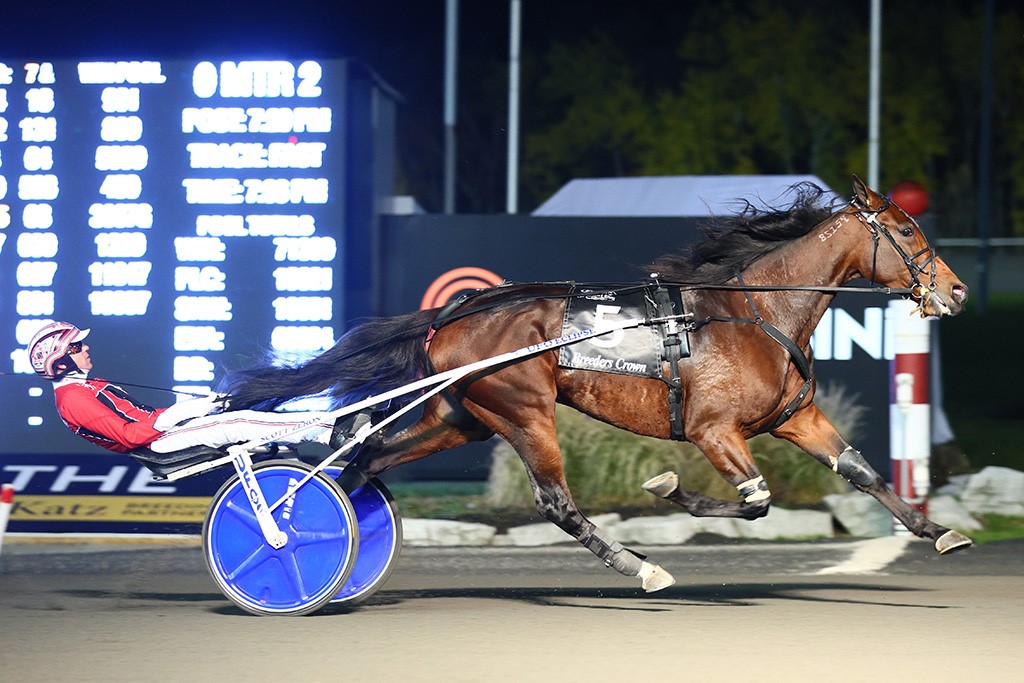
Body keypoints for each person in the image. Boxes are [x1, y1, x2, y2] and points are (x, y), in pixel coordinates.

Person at [27, 321, 353, 456]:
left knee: (237, 410)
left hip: (162, 433)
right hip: (157, 445)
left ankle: (329, 422)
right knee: (235, 423)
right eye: (76, 348)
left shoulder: (84, 386)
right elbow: (130, 436)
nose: (85, 349)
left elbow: (142, 419)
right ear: (59, 362)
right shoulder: (72, 398)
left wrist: (198, 407)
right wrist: (185, 411)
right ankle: (329, 431)